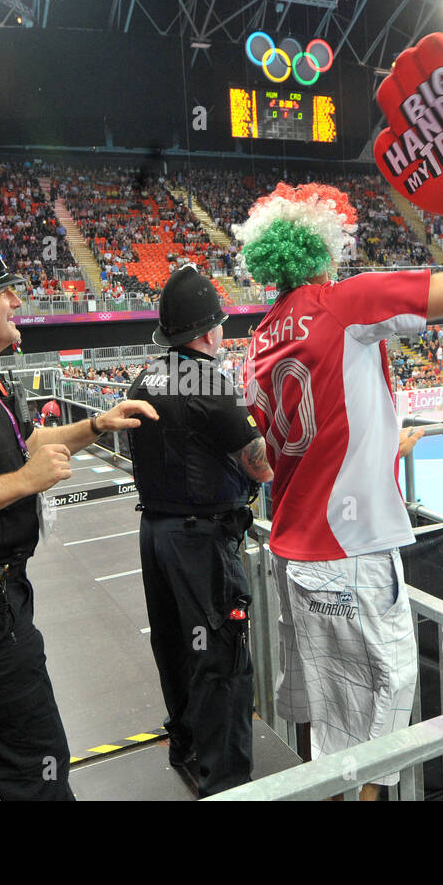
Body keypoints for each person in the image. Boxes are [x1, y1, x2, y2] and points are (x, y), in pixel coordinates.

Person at [239, 172, 443, 800]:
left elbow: (267, 458)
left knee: (328, 725)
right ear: (326, 247)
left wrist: (378, 444)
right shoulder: (346, 301)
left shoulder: (260, 339)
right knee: (379, 730)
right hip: (354, 555)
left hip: (295, 553)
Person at [0, 214, 158, 801]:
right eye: (2, 292)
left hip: (2, 599)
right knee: (36, 767)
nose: (17, 300)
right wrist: (24, 482)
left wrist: (96, 424)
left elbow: (25, 447)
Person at [127, 265, 273, 796]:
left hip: (156, 532)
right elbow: (260, 465)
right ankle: (227, 779)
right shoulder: (209, 378)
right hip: (201, 540)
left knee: (175, 646)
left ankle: (186, 747)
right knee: (221, 655)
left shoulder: (148, 376)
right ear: (211, 331)